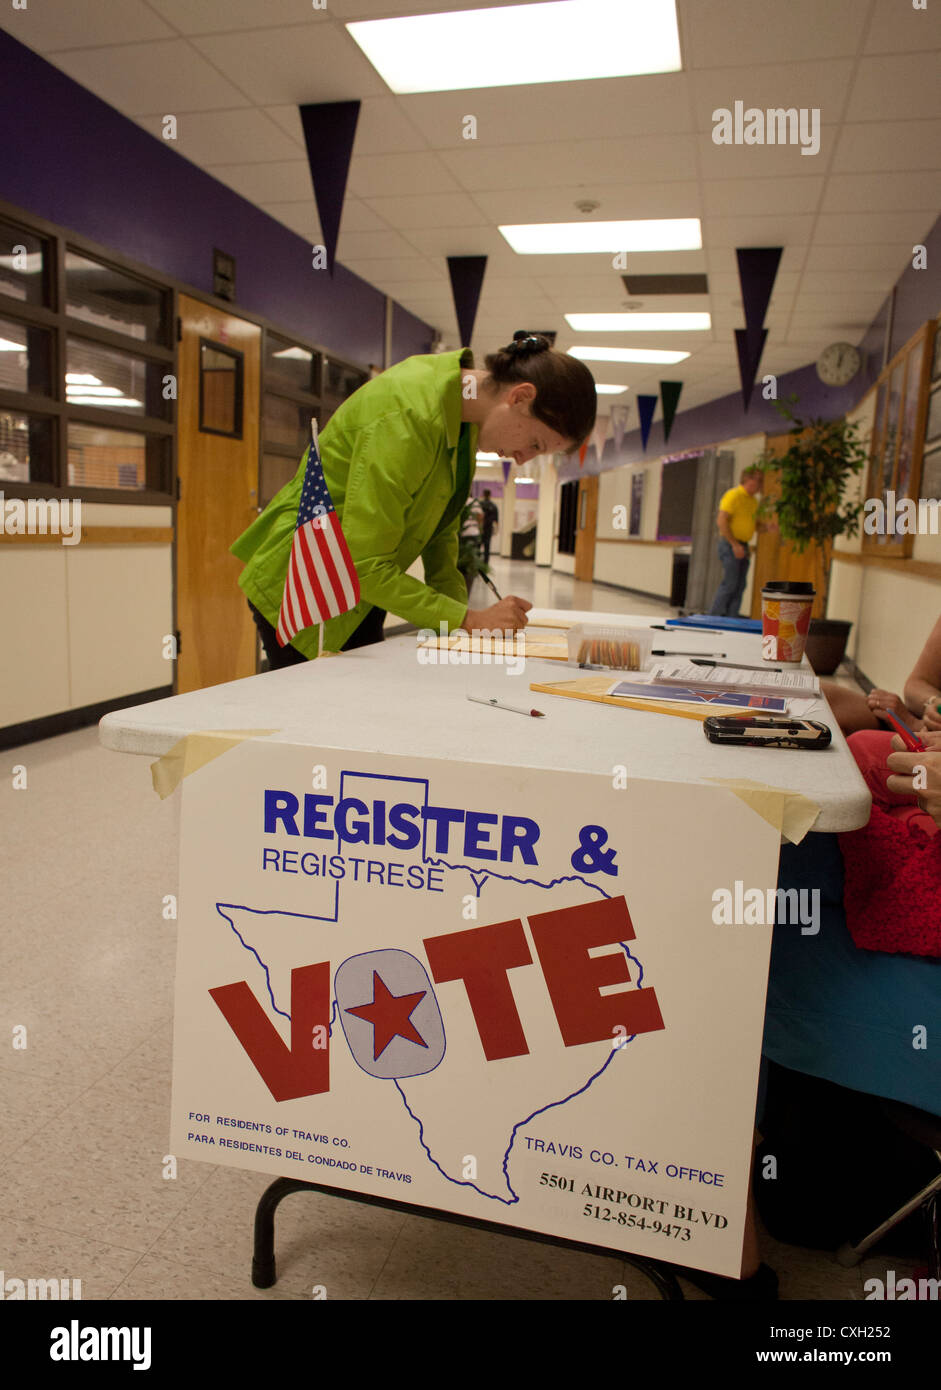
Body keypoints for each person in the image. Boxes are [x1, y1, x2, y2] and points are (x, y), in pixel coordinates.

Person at [230, 332, 596, 669]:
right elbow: (365, 565)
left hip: (359, 588)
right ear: (520, 397)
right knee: (317, 717)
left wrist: (461, 629)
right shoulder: (408, 417)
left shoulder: (463, 417)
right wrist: (468, 620)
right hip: (308, 582)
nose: (522, 459)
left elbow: (441, 534)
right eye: (535, 443)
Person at [822, 612, 941, 736]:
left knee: (859, 741)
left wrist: (912, 724)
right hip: (925, 726)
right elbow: (918, 683)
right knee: (823, 698)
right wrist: (933, 701)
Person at [707, 466, 776, 617]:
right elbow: (722, 521)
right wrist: (734, 544)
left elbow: (754, 524)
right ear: (748, 480)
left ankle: (731, 617)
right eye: (757, 480)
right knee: (730, 584)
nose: (759, 484)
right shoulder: (733, 495)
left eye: (761, 481)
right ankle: (714, 616)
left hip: (743, 545)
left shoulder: (753, 502)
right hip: (730, 544)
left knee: (740, 585)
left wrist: (767, 527)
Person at [478, 489, 499, 563]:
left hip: (480, 528)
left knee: (478, 546)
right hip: (489, 528)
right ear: (490, 495)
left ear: (483, 494)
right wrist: (496, 530)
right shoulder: (493, 506)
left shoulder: (479, 504)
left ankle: (477, 563)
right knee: (487, 546)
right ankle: (485, 563)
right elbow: (496, 520)